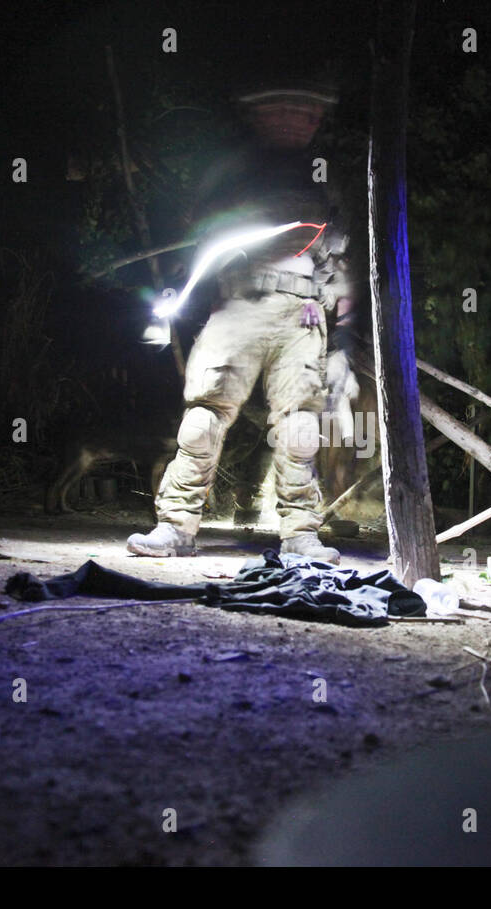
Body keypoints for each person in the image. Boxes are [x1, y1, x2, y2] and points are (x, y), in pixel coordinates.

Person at [127, 78, 358, 561]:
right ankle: (175, 525)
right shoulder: (230, 170)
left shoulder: (325, 176)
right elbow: (198, 236)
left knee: (300, 427)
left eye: (309, 112)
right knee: (203, 420)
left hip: (302, 311)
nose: (298, 119)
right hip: (239, 305)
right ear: (259, 114)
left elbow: (340, 252)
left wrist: (343, 314)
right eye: (286, 108)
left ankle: (300, 532)